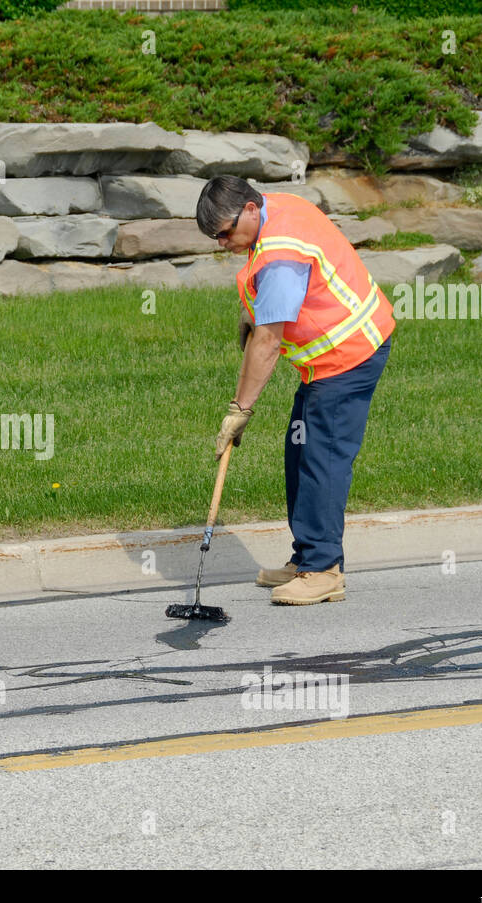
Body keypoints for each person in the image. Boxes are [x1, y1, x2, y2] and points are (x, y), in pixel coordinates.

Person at [196, 175, 394, 605]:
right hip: (324, 361)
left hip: (350, 354)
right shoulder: (271, 210)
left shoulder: (281, 253)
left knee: (320, 458)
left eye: (225, 232)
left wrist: (240, 410)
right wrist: (254, 311)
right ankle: (307, 556)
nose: (222, 242)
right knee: (299, 451)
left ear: (250, 209)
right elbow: (268, 314)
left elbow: (268, 341)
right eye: (215, 237)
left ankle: (323, 570)